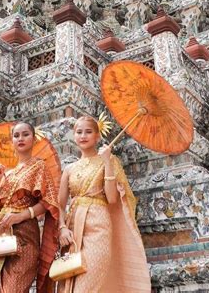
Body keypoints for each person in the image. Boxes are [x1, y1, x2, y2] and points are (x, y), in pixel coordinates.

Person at [58, 116, 151, 292]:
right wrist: (62, 227)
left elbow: (112, 198)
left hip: (99, 225)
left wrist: (107, 161)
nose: (83, 136)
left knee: (89, 284)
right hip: (73, 227)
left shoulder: (109, 160)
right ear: (74, 136)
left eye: (88, 132)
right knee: (69, 281)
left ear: (98, 136)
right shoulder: (69, 169)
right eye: (79, 132)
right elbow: (59, 205)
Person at [0, 122, 59, 293]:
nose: (20, 138)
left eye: (25, 134)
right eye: (16, 136)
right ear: (12, 141)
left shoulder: (39, 166)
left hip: (25, 235)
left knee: (13, 288)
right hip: (1, 233)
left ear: (33, 138)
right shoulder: (7, 173)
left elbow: (47, 203)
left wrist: (21, 216)